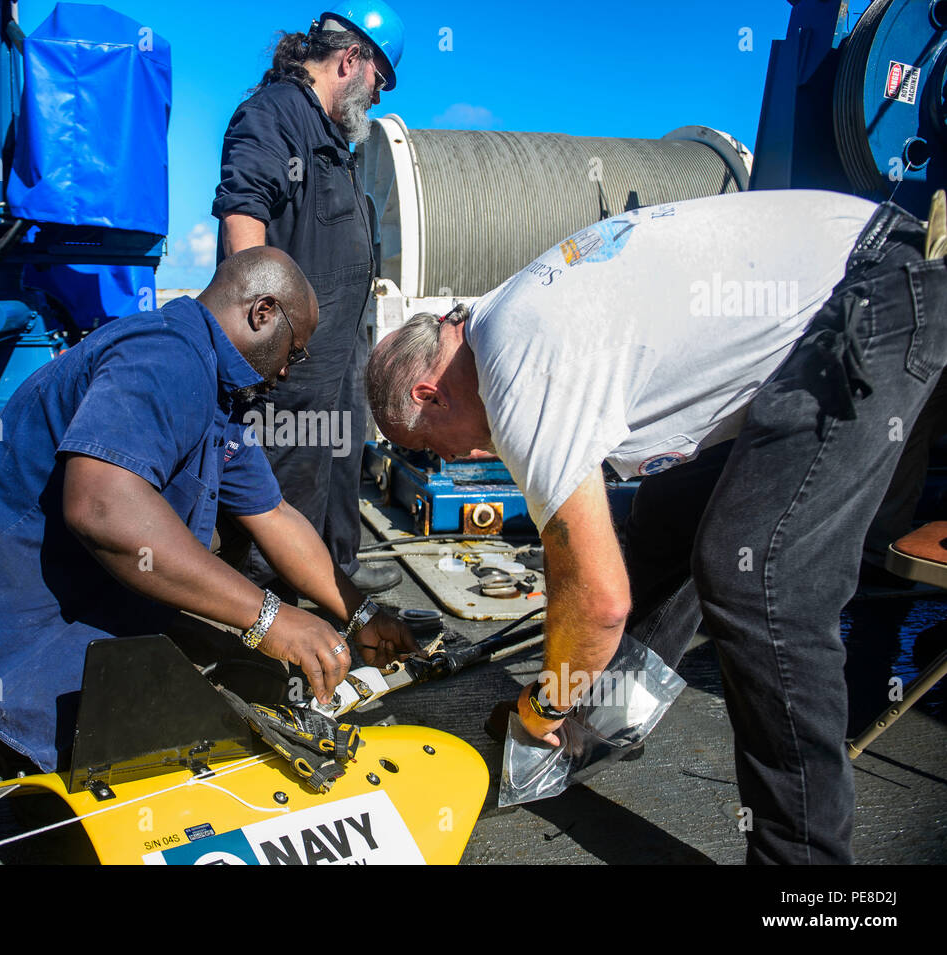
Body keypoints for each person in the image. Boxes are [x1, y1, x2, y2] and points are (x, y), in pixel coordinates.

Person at [364, 189, 947, 864]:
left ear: (427, 393)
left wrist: (540, 704)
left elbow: (597, 599)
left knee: (757, 575)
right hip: (835, 299)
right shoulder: (505, 320)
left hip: (874, 296)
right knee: (665, 523)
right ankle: (598, 721)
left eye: (434, 446)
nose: (457, 459)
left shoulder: (518, 370)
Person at [0, 246, 415, 775]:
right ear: (262, 313)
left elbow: (273, 515)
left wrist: (360, 614)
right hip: (5, 624)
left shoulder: (217, 391)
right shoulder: (167, 356)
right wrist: (270, 619)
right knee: (178, 749)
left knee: (246, 684)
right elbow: (102, 507)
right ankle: (5, 736)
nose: (286, 372)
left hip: (87, 598)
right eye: (293, 352)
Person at [212, 3, 405, 596]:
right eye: (378, 81)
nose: (375, 97)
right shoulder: (275, 114)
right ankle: (267, 626)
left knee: (339, 464)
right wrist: (260, 332)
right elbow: (244, 208)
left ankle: (334, 577)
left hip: (336, 358)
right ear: (353, 59)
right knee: (282, 490)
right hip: (290, 367)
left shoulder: (330, 136)